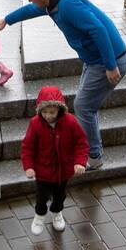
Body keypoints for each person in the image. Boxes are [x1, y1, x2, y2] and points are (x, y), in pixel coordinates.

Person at [0, 0, 126, 170]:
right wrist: (6, 20)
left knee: (83, 106)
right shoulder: (52, 0)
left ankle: (94, 156)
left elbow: (98, 29)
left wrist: (110, 65)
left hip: (108, 61)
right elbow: (32, 10)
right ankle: (89, 148)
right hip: (94, 60)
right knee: (86, 106)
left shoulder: (67, 4)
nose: (29, 1)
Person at [22, 86, 88, 234]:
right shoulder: (35, 124)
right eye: (44, 112)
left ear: (59, 109)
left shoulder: (70, 122)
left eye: (52, 112)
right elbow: (28, 147)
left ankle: (57, 212)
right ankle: (39, 215)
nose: (48, 116)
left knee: (60, 195)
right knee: (41, 196)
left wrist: (79, 162)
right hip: (43, 170)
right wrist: (29, 166)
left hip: (63, 171)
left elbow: (81, 143)